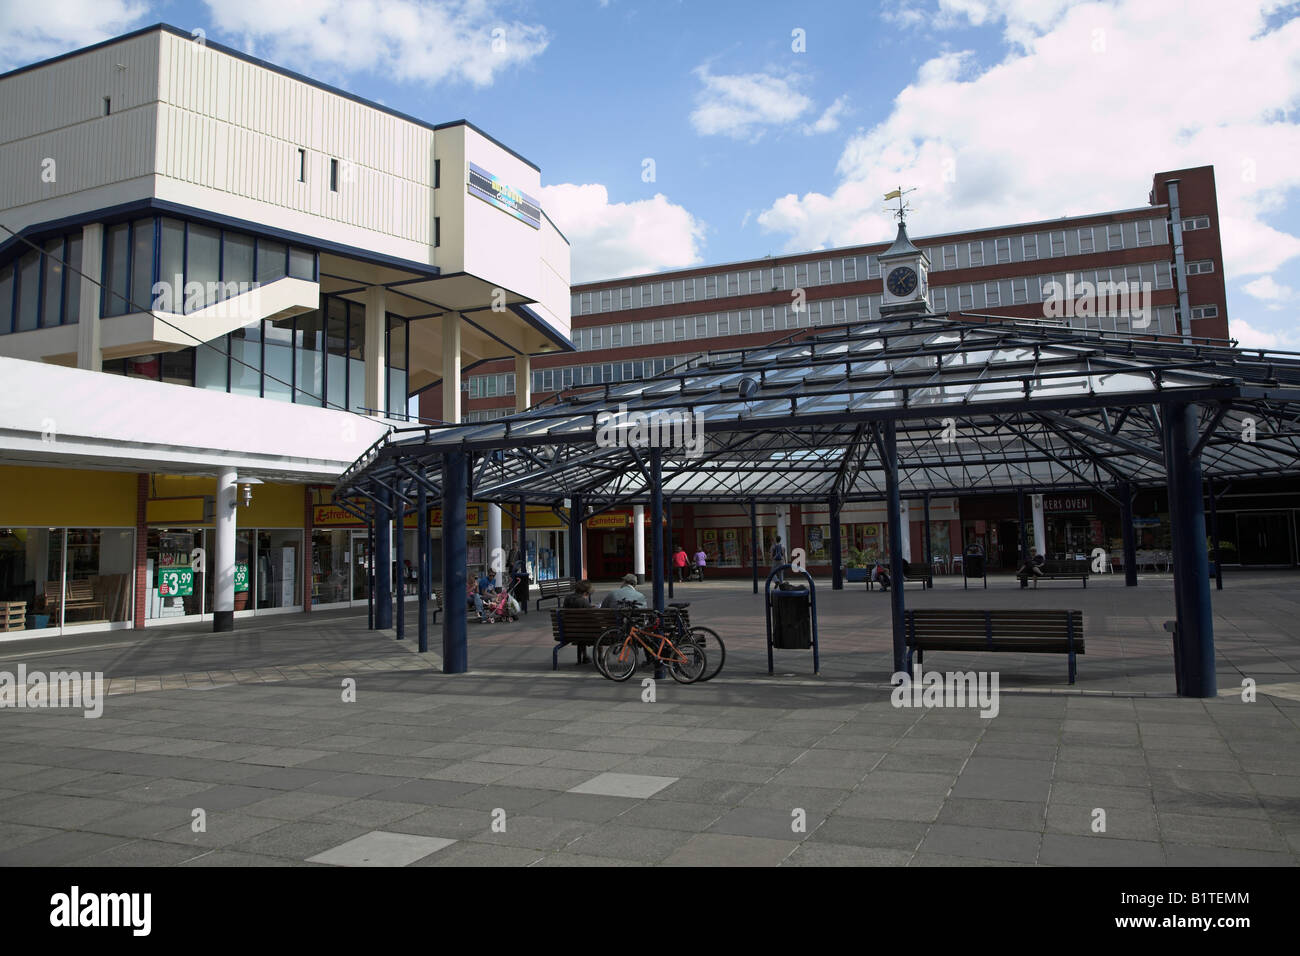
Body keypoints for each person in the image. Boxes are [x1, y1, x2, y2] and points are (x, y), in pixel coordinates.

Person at [562, 580, 595, 663]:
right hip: (584, 632)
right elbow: (592, 617)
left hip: (568, 631)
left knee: (581, 628)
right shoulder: (584, 601)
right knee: (597, 629)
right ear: (585, 592)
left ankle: (584, 656)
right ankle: (600, 657)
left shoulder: (567, 598)